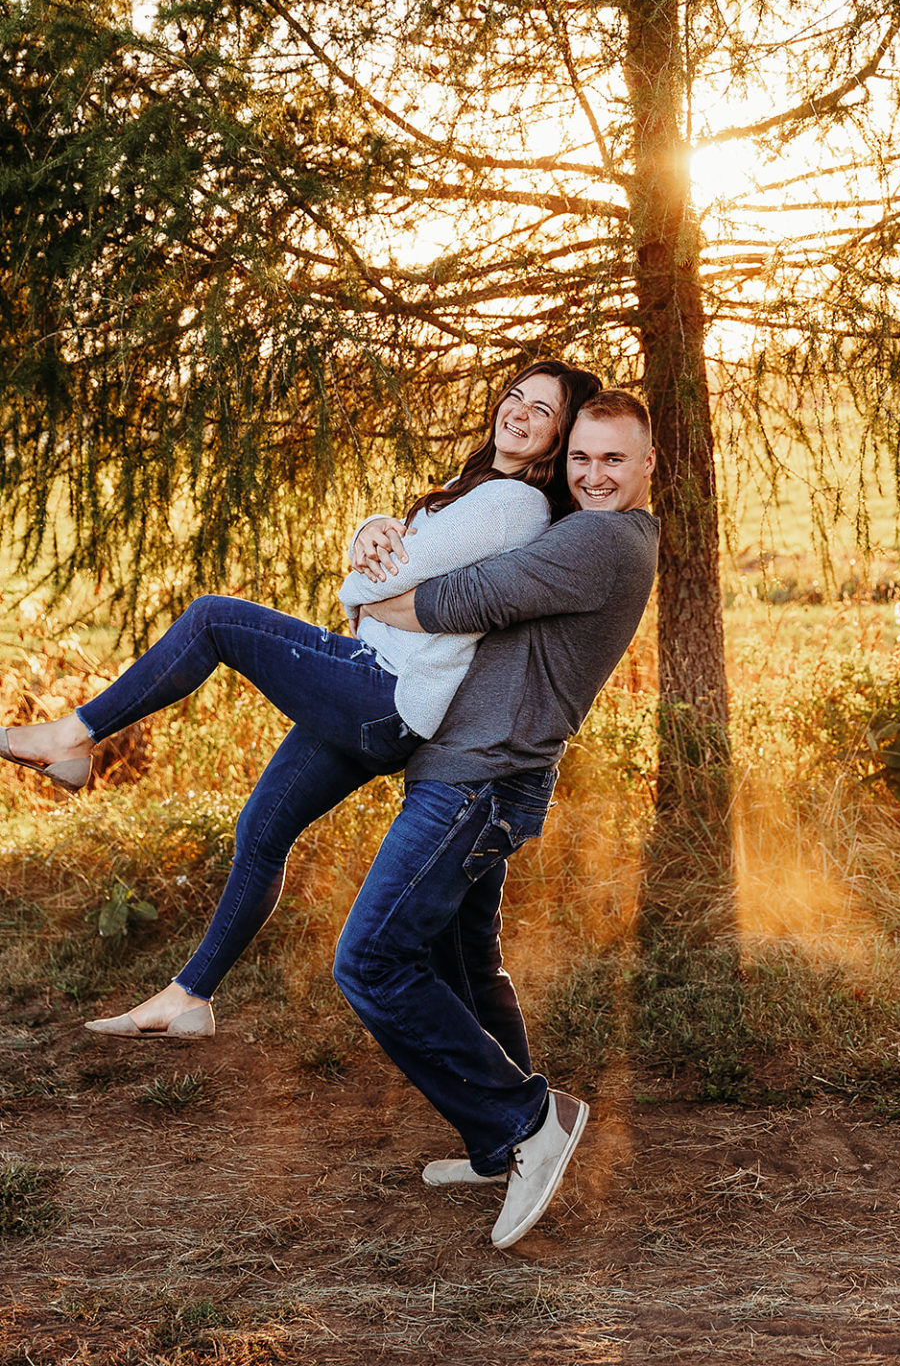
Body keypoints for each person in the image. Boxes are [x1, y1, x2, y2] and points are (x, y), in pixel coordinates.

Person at [0, 360, 601, 1037]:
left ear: (557, 440)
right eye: (514, 396)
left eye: (541, 411)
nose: (517, 412)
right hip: (379, 699)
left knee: (213, 619)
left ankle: (73, 736)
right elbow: (392, 552)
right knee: (263, 830)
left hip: (381, 687)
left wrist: (364, 582)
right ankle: (190, 996)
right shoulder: (482, 493)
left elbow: (374, 584)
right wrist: (371, 529)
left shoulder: (515, 504)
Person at [331, 390, 659, 1248]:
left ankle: (526, 1121)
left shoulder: (600, 539)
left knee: (369, 960)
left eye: (614, 459)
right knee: (466, 966)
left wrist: (377, 594)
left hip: (477, 781)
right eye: (580, 458)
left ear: (648, 464)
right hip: (484, 769)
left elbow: (465, 596)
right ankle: (495, 1145)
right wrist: (380, 531)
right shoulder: (591, 528)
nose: (593, 475)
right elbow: (460, 546)